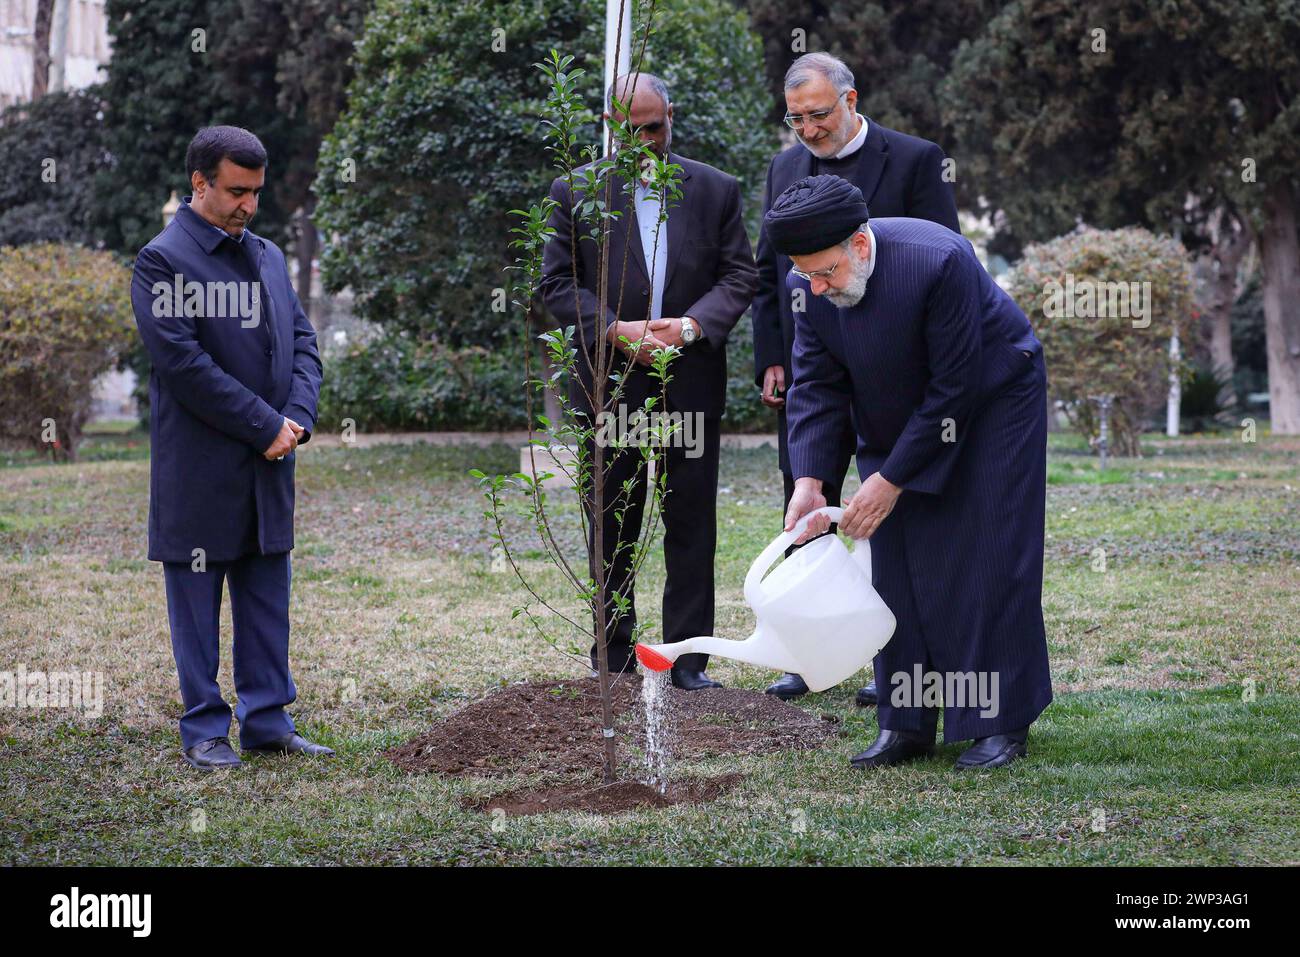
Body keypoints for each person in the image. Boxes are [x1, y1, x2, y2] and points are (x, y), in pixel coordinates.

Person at [769, 175, 1052, 770]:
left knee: (988, 551)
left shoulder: (939, 258)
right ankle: (907, 720)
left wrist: (889, 480)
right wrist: (810, 480)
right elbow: (816, 384)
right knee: (892, 559)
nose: (816, 288)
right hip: (896, 407)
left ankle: (999, 723)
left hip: (992, 400)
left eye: (827, 273)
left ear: (862, 246)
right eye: (806, 275)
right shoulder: (811, 286)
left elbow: (953, 388)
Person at [752, 52, 961, 704]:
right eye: (795, 120)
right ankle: (807, 650)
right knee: (808, 497)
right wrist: (771, 355)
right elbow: (767, 271)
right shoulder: (785, 166)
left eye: (818, 115)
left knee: (888, 508)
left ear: (851, 99)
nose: (808, 131)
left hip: (894, 370)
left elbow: (944, 252)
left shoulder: (914, 159)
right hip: (814, 361)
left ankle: (889, 657)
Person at [540, 73, 758, 690]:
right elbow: (556, 283)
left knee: (691, 525)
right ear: (610, 127)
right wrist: (613, 331)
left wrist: (690, 326)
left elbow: (740, 276)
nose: (643, 141)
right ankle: (613, 656)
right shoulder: (575, 192)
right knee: (613, 521)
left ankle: (687, 663)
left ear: (672, 117)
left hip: (688, 382)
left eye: (654, 127)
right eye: (628, 130)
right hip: (611, 387)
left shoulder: (715, 189)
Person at [130, 126, 330, 769]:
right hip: (201, 469)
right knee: (196, 604)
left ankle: (267, 721)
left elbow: (303, 342)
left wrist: (295, 418)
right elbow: (184, 366)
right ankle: (205, 730)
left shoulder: (269, 255)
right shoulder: (161, 261)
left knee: (267, 594)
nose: (248, 205)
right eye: (235, 191)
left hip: (272, 461)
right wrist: (264, 425)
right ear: (199, 183)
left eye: (256, 193)